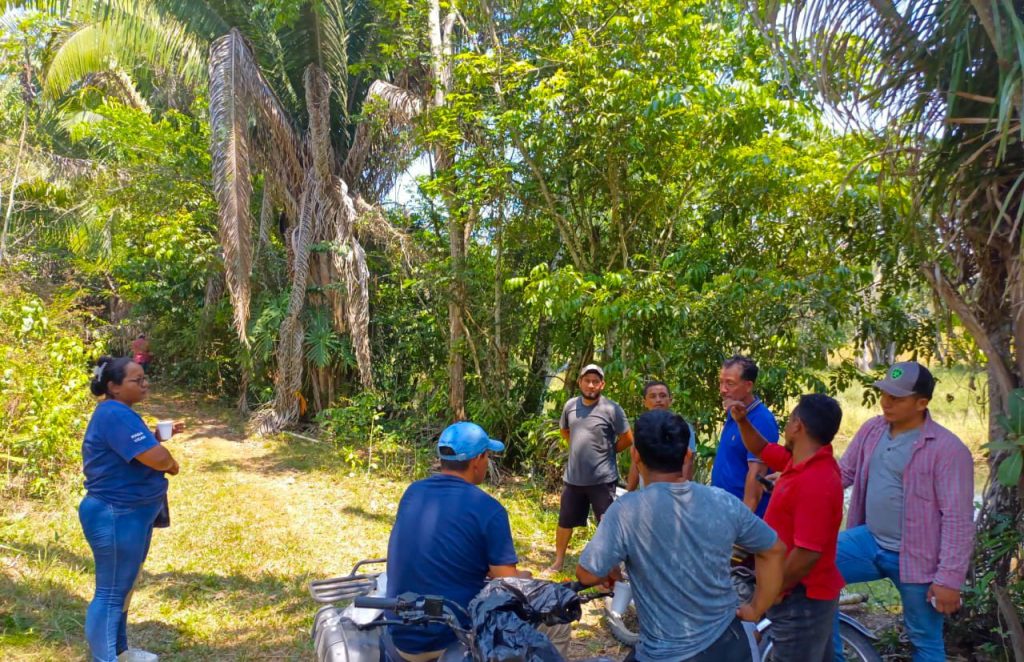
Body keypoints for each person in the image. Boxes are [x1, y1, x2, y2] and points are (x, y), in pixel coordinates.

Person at [575, 409, 787, 661]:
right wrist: (756, 608)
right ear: (687, 455)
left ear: (635, 455)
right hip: (730, 644)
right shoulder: (722, 501)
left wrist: (609, 566)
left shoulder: (626, 511)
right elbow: (774, 549)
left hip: (665, 654)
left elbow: (586, 573)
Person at [385, 421, 568, 661]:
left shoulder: (413, 493)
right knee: (558, 624)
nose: (487, 462)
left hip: (402, 633)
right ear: (477, 460)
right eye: (487, 456)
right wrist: (525, 578)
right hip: (451, 635)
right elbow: (507, 584)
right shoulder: (490, 510)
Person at [832, 362, 974, 662]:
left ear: (922, 402)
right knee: (809, 572)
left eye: (896, 398)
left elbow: (958, 520)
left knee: (925, 640)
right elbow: (843, 473)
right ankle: (834, 655)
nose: (886, 402)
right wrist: (796, 480)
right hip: (870, 540)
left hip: (918, 557)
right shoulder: (872, 429)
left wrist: (949, 579)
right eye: (884, 394)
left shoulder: (949, 450)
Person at [80, 356, 182, 662]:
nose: (145, 384)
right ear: (113, 386)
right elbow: (158, 459)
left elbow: (134, 449)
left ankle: (120, 652)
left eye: (145, 378)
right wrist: (171, 462)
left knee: (123, 587)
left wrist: (156, 437)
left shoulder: (120, 411)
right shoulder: (113, 413)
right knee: (111, 592)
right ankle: (105, 658)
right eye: (137, 380)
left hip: (133, 512)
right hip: (115, 514)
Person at [732, 394, 845, 661]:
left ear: (797, 426)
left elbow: (807, 554)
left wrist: (770, 593)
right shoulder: (799, 462)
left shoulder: (816, 480)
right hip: (797, 593)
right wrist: (742, 420)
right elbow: (762, 449)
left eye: (791, 419)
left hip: (800, 598)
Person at [547, 364, 633, 573]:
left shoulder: (612, 409)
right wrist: (578, 446)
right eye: (587, 380)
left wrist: (608, 452)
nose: (591, 385)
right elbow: (565, 431)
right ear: (580, 382)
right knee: (565, 520)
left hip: (603, 479)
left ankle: (608, 568)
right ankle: (558, 561)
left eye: (596, 381)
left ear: (602, 384)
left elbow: (628, 438)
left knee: (607, 524)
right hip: (574, 477)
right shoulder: (570, 406)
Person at [710, 355, 779, 516]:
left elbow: (756, 476)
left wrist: (743, 524)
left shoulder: (761, 420)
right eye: (721, 382)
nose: (722, 389)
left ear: (748, 386)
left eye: (730, 383)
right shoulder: (735, 412)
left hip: (742, 517)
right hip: (723, 510)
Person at [626, 381, 696, 490]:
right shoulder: (642, 428)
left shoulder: (682, 428)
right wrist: (628, 494)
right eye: (653, 396)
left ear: (670, 400)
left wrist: (682, 495)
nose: (658, 400)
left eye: (663, 396)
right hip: (647, 495)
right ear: (645, 402)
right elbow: (636, 463)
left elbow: (688, 464)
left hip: (676, 495)